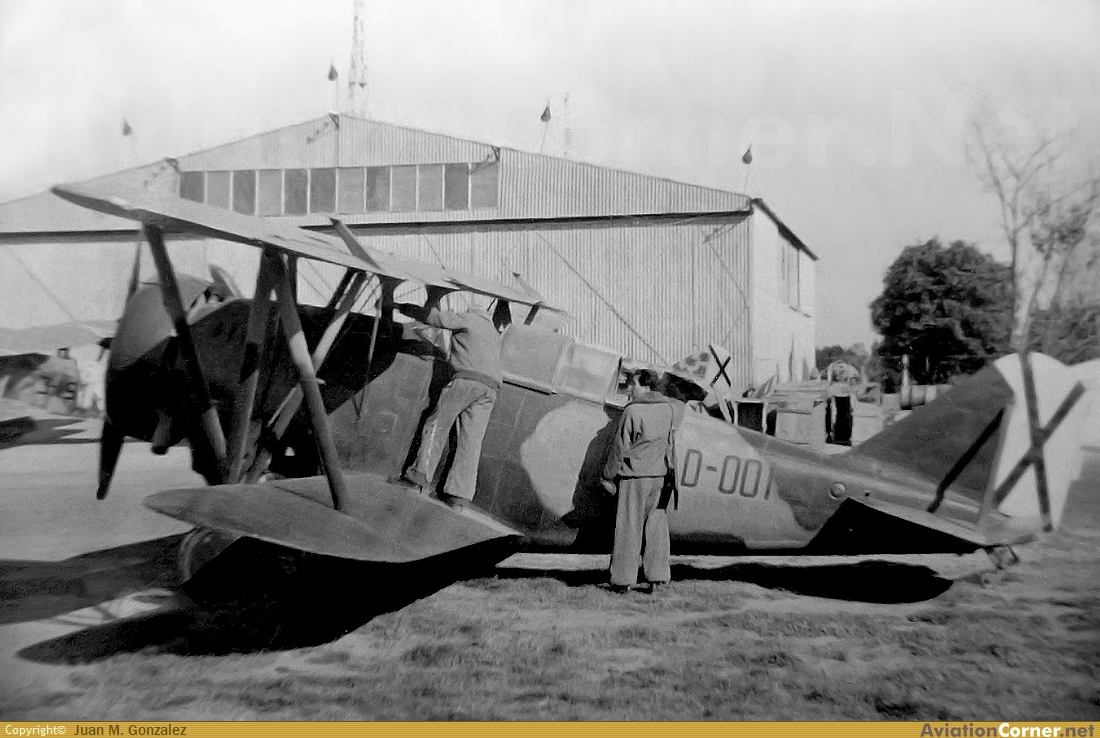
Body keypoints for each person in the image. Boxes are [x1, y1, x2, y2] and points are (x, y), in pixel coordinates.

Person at [392, 300, 504, 511]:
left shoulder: (469, 319)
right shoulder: (493, 333)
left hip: (466, 380)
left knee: (436, 425)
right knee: (470, 441)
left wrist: (404, 308)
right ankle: (459, 498)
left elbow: (436, 319)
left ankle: (417, 479)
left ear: (472, 311)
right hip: (490, 390)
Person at [600, 368, 684, 593]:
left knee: (629, 527)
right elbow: (670, 445)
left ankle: (623, 581)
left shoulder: (633, 411)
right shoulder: (668, 409)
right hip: (660, 477)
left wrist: (607, 476)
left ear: (646, 387)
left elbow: (619, 449)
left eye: (634, 384)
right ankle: (657, 578)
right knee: (656, 528)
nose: (630, 389)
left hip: (634, 477)